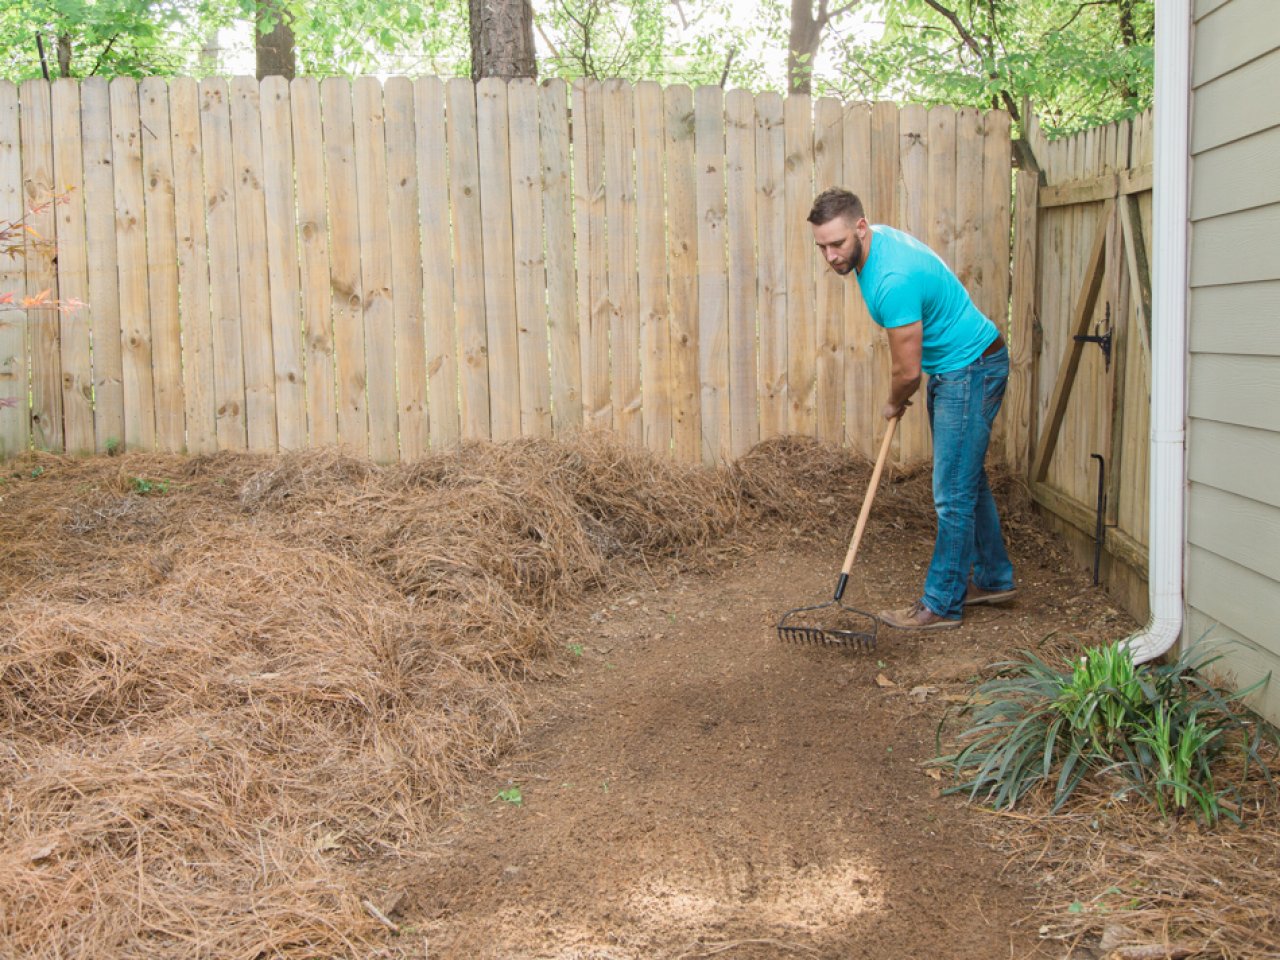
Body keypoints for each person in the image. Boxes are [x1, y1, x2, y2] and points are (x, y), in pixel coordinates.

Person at [807, 187, 1016, 630]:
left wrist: (893, 402)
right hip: (964, 364)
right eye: (822, 246)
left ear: (861, 228)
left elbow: (907, 372)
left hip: (971, 369)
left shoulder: (891, 280)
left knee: (951, 495)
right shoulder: (874, 245)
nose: (830, 256)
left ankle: (941, 604)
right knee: (967, 478)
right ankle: (995, 579)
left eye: (837, 243)